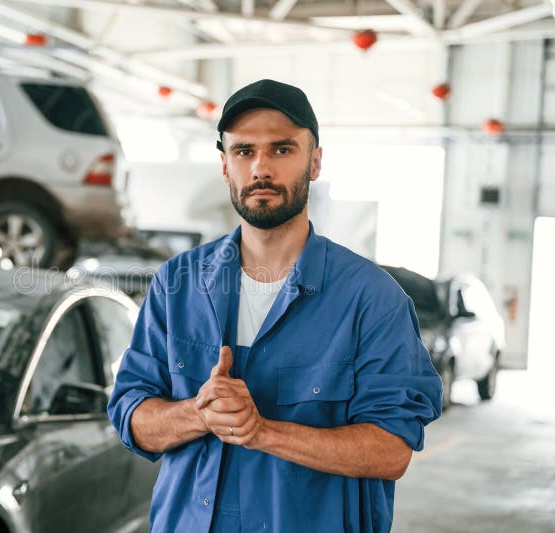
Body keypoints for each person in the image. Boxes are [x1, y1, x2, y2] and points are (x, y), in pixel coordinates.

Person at [107, 79, 442, 532]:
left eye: (282, 150)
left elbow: (391, 450)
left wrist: (261, 431)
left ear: (315, 161)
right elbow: (132, 416)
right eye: (244, 151)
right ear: (225, 165)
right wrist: (199, 413)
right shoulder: (177, 284)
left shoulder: (371, 300)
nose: (260, 168)